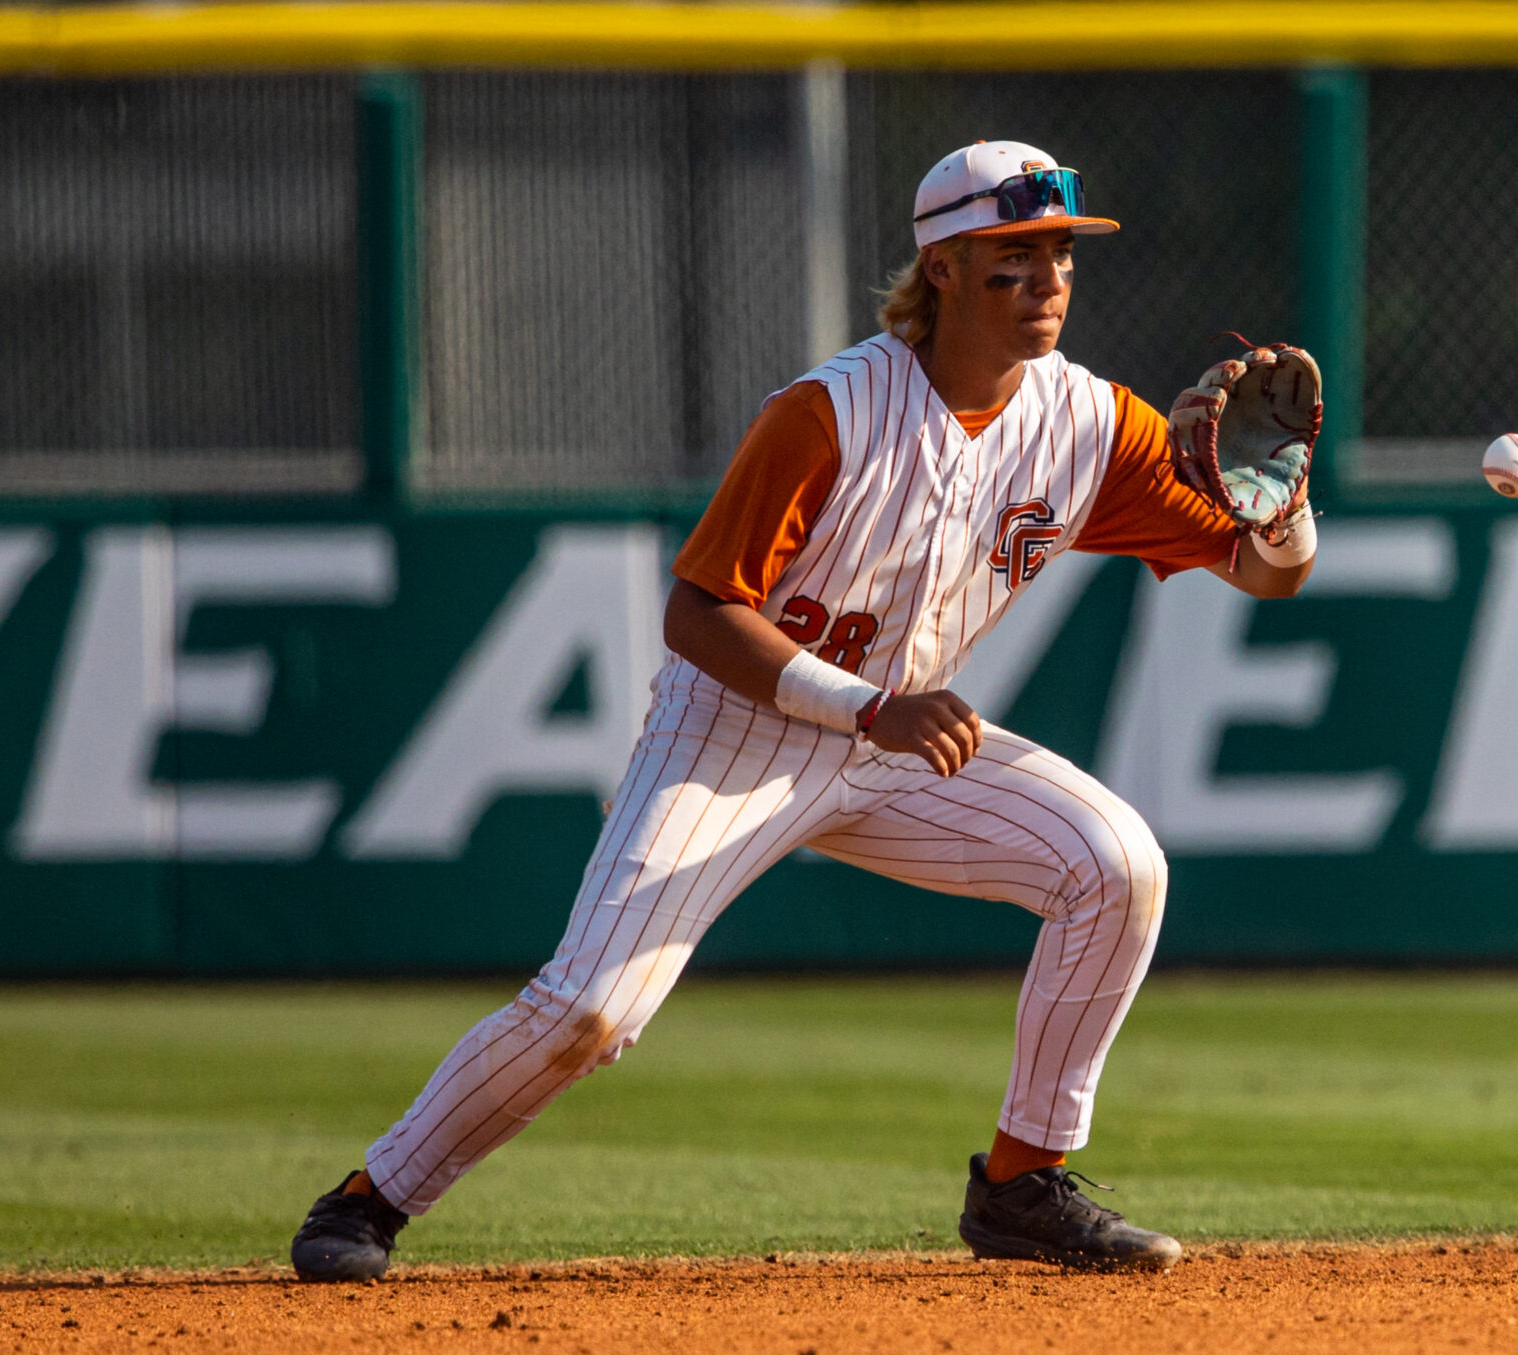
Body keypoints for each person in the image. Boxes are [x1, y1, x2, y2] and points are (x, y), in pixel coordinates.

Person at [290, 139, 1316, 1280]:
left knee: (1116, 863)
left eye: (1061, 253)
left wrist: (1275, 494)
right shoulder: (827, 414)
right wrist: (866, 709)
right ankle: (367, 1200)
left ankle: (1022, 1184)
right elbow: (696, 614)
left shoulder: (1090, 423)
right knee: (590, 1011)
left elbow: (1266, 572)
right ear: (941, 267)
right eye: (1012, 255)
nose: (1047, 278)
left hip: (896, 740)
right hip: (735, 733)